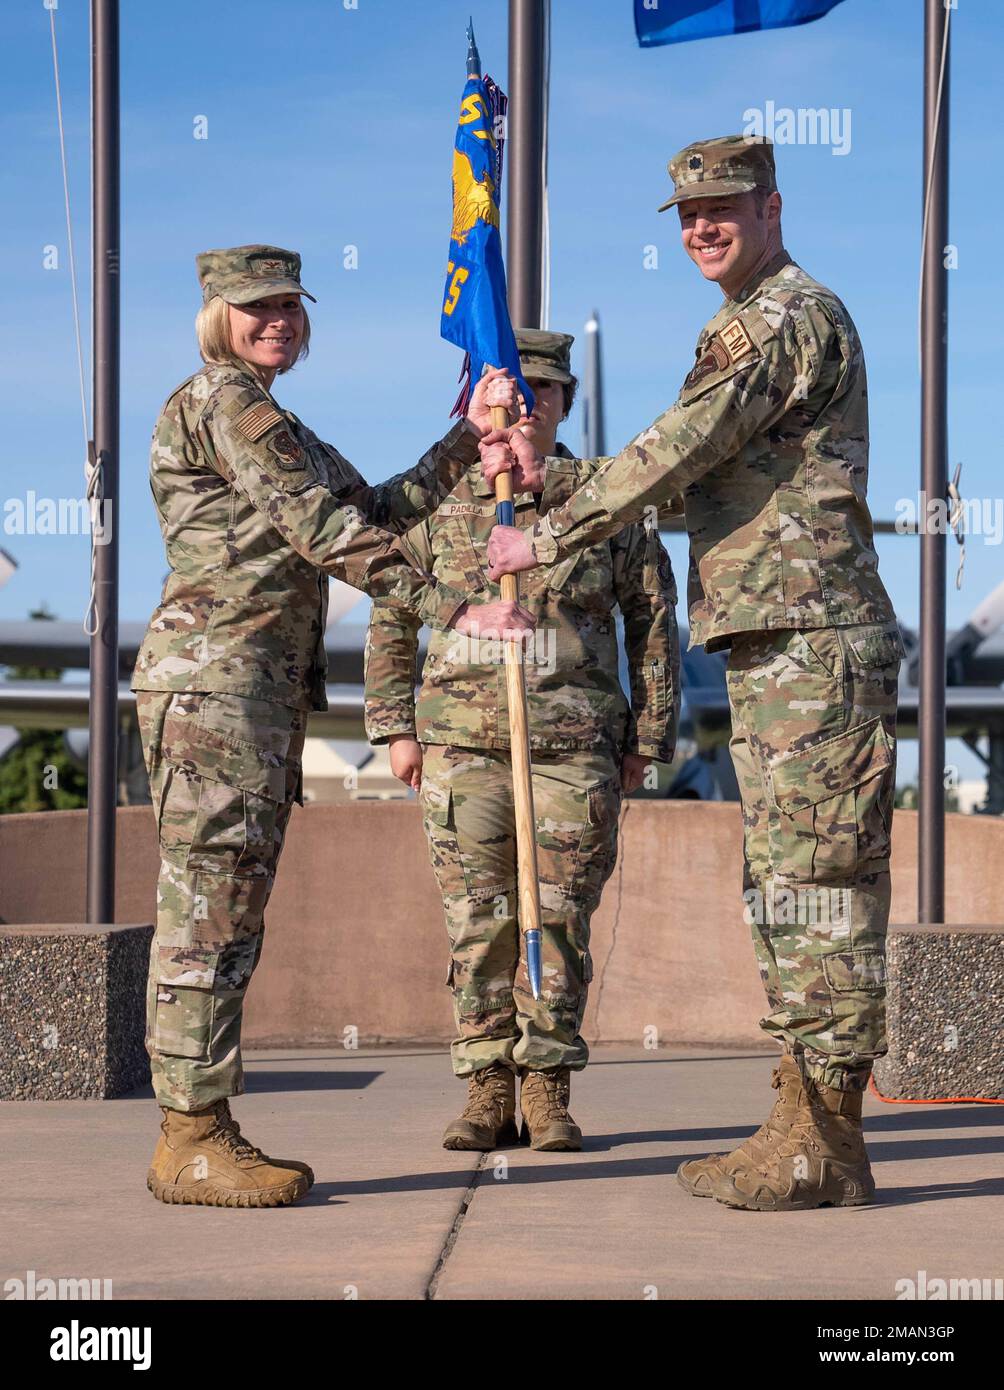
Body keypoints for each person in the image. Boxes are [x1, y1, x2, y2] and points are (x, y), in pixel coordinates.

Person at [480, 139, 904, 1211]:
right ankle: (801, 1120)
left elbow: (681, 444)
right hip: (777, 640)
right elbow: (699, 473)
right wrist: (548, 476)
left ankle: (825, 1139)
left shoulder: (780, 316)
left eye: (721, 207)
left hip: (810, 639)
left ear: (771, 207)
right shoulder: (753, 320)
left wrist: (550, 527)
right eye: (685, 214)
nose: (701, 227)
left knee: (819, 885)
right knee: (786, 885)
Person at [132, 244, 528, 1207]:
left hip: (252, 697)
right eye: (256, 306)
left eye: (290, 305)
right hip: (215, 690)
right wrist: (454, 606)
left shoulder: (280, 423)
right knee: (207, 914)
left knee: (230, 913)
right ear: (216, 316)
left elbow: (375, 509)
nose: (278, 319)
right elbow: (320, 529)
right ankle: (189, 1137)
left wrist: (465, 441)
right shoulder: (222, 399)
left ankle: (200, 1127)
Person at [364, 329, 679, 1152]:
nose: (526, 405)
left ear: (567, 400)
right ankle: (486, 1086)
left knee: (560, 918)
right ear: (480, 401)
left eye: (544, 390)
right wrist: (393, 726)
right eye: (512, 390)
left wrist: (649, 735)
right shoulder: (439, 500)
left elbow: (651, 619)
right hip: (464, 744)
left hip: (573, 748)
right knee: (479, 921)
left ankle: (546, 1084)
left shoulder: (606, 500)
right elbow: (392, 613)